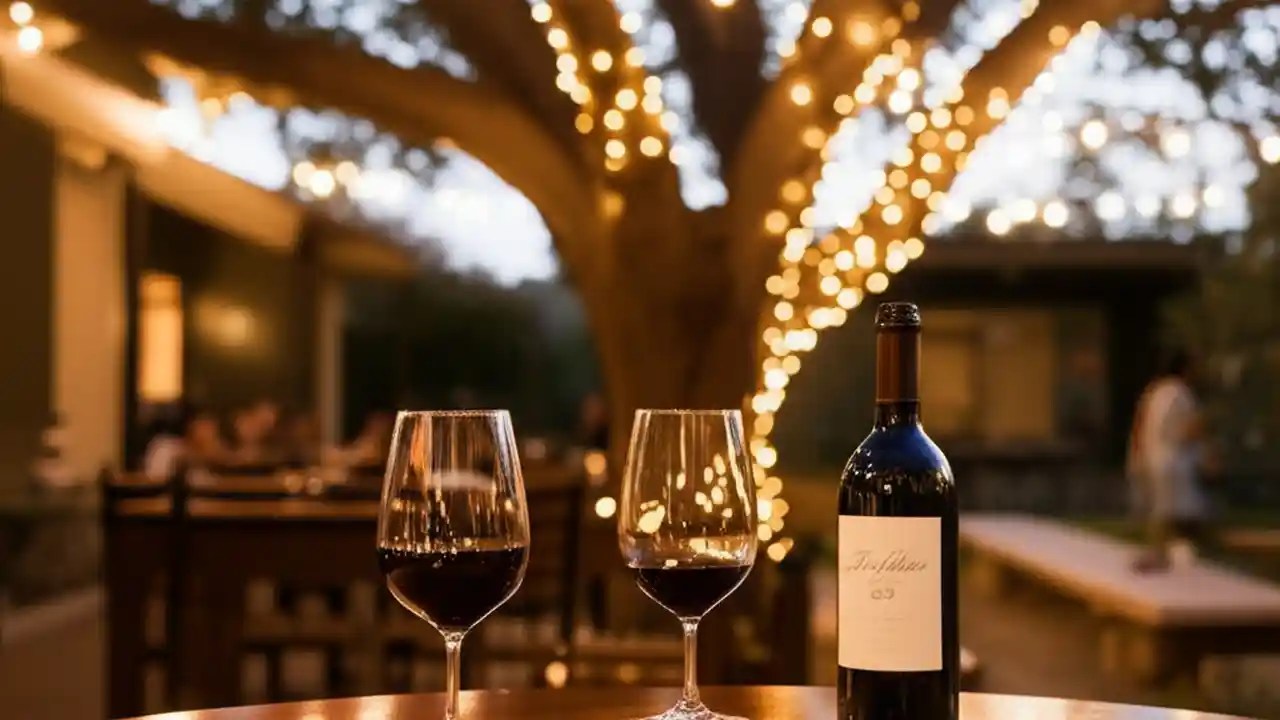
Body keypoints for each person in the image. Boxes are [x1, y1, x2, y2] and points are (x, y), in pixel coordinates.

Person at [1129, 349, 1211, 572]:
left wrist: (1137, 458)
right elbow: (1192, 428)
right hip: (1177, 461)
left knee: (1164, 511)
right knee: (1182, 514)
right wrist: (1207, 453)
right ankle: (1171, 555)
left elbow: (1140, 425)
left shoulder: (1155, 392)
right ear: (1185, 368)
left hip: (1154, 458)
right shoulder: (1181, 393)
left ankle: (1161, 554)